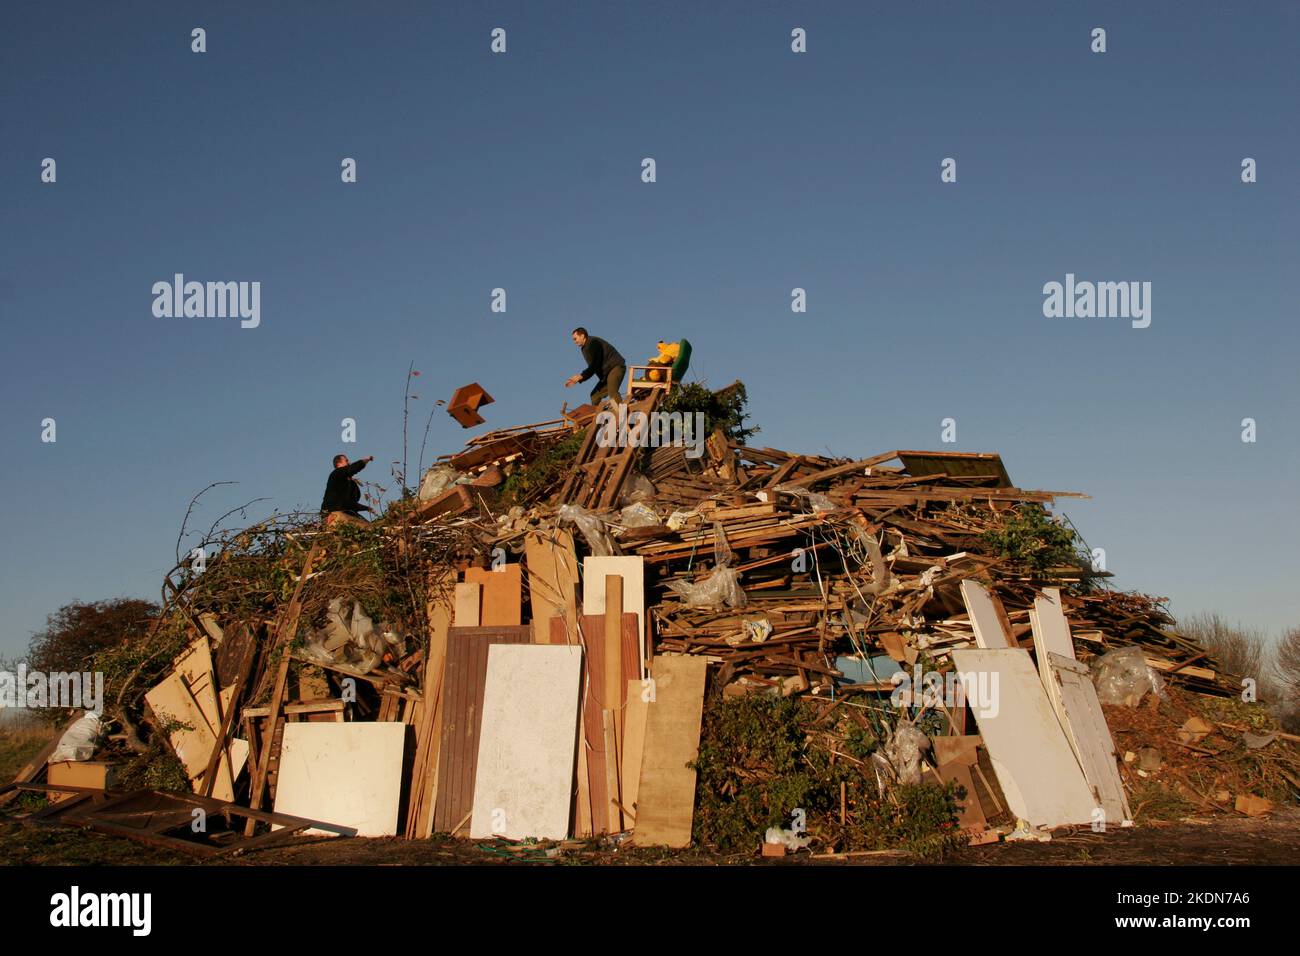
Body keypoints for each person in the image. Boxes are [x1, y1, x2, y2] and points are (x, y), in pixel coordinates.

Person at [564, 327, 626, 408]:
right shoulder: (584, 348)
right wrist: (580, 378)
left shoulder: (593, 343)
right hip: (606, 375)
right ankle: (598, 418)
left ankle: (622, 415)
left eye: (575, 339)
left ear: (582, 336)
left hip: (615, 367)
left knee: (612, 392)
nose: (574, 341)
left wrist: (580, 376)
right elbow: (592, 368)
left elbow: (595, 364)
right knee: (594, 396)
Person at [321, 454, 374, 521]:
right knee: (366, 528)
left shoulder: (350, 483)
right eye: (346, 461)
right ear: (339, 464)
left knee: (368, 525)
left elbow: (350, 504)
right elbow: (352, 468)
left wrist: (366, 508)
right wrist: (366, 460)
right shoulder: (337, 473)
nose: (349, 462)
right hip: (333, 513)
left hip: (346, 513)